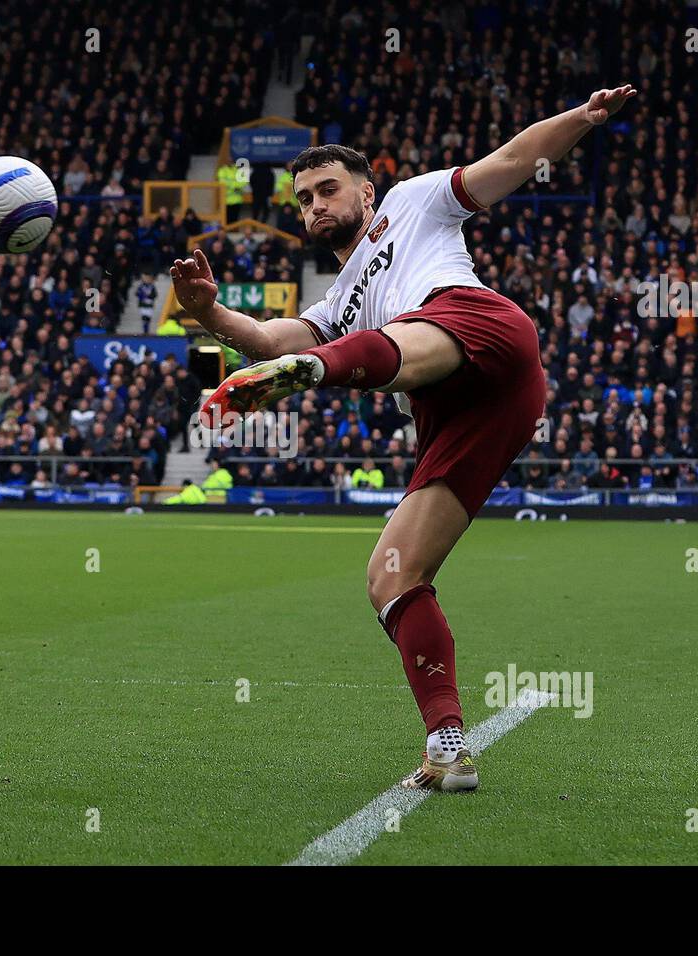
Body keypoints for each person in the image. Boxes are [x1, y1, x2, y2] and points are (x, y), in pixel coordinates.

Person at [170, 85, 636, 792]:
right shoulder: (337, 299)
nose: (315, 206)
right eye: (302, 200)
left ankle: (316, 371)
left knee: (382, 343)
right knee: (392, 576)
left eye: (328, 190)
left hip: (475, 327)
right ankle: (448, 746)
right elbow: (265, 336)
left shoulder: (415, 201)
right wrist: (211, 314)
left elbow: (511, 159)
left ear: (367, 190)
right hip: (457, 411)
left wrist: (582, 117)